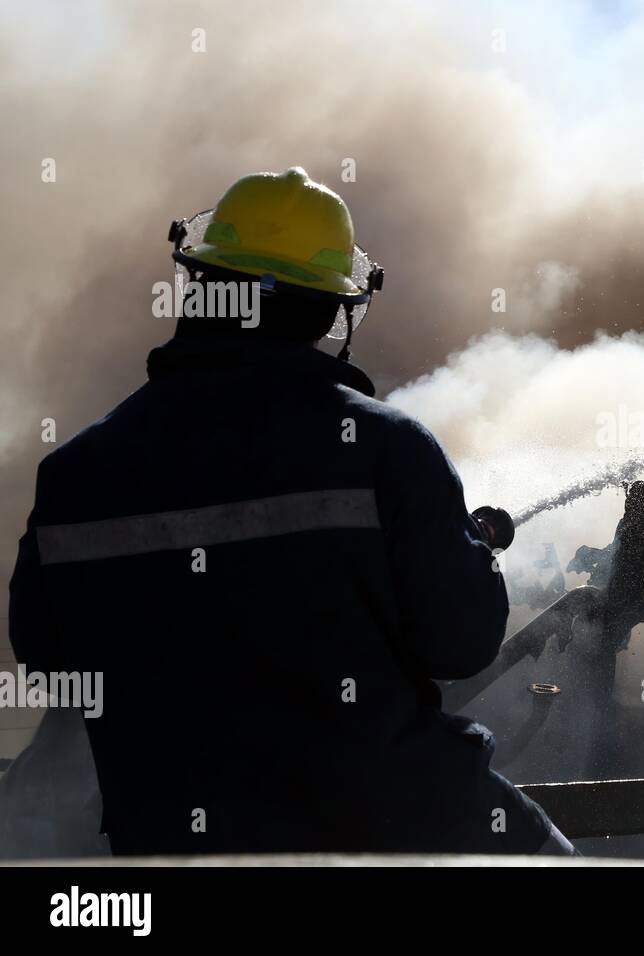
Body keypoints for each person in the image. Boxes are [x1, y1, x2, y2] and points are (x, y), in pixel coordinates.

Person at [7, 167, 573, 856]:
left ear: (198, 284)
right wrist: (469, 554)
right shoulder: (384, 448)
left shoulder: (73, 475)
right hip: (400, 826)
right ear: (330, 311)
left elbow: (51, 659)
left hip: (169, 842)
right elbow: (460, 645)